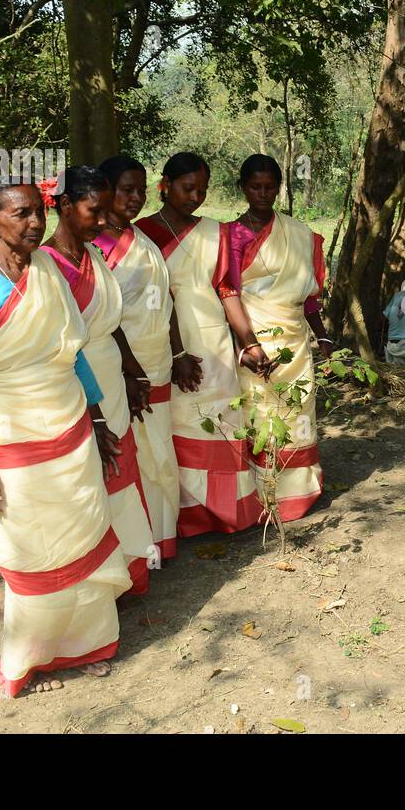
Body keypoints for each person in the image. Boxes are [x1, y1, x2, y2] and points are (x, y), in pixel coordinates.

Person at [0, 179, 131, 697]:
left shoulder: (49, 268)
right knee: (28, 548)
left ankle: (87, 644)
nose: (34, 223)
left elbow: (72, 351)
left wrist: (97, 421)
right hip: (8, 437)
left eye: (40, 212)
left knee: (81, 530)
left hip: (69, 426)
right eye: (21, 214)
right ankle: (29, 656)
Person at [40, 166, 157, 596]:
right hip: (75, 387)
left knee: (120, 475)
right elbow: (59, 346)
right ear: (66, 206)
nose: (106, 221)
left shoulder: (92, 256)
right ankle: (94, 586)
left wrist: (131, 369)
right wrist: (94, 409)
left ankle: (127, 573)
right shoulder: (46, 266)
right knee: (89, 480)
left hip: (110, 376)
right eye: (96, 211)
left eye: (108, 212)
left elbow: (112, 323)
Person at [137, 152, 259, 535]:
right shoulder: (142, 235)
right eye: (188, 188)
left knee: (222, 420)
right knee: (182, 422)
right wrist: (175, 354)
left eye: (202, 190)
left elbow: (226, 291)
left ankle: (227, 511)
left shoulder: (217, 233)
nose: (195, 197)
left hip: (213, 343)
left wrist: (249, 342)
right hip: (167, 343)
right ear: (165, 186)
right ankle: (188, 516)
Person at [225, 155, 329, 525]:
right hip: (252, 344)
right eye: (256, 187)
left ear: (279, 187)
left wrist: (324, 336)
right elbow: (227, 293)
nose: (263, 194)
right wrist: (246, 343)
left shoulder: (298, 234)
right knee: (260, 415)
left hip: (295, 344)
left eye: (270, 187)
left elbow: (310, 296)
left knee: (298, 414)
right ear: (243, 187)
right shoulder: (230, 236)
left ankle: (299, 491)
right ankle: (264, 496)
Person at [94, 154, 183, 560]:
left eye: (140, 190)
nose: (135, 198)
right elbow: (103, 318)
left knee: (160, 453)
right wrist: (130, 372)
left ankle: (161, 539)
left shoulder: (141, 239)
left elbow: (164, 300)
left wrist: (176, 350)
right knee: (133, 458)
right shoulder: (94, 246)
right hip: (123, 371)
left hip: (157, 360)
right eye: (126, 190)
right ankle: (133, 549)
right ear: (105, 191)